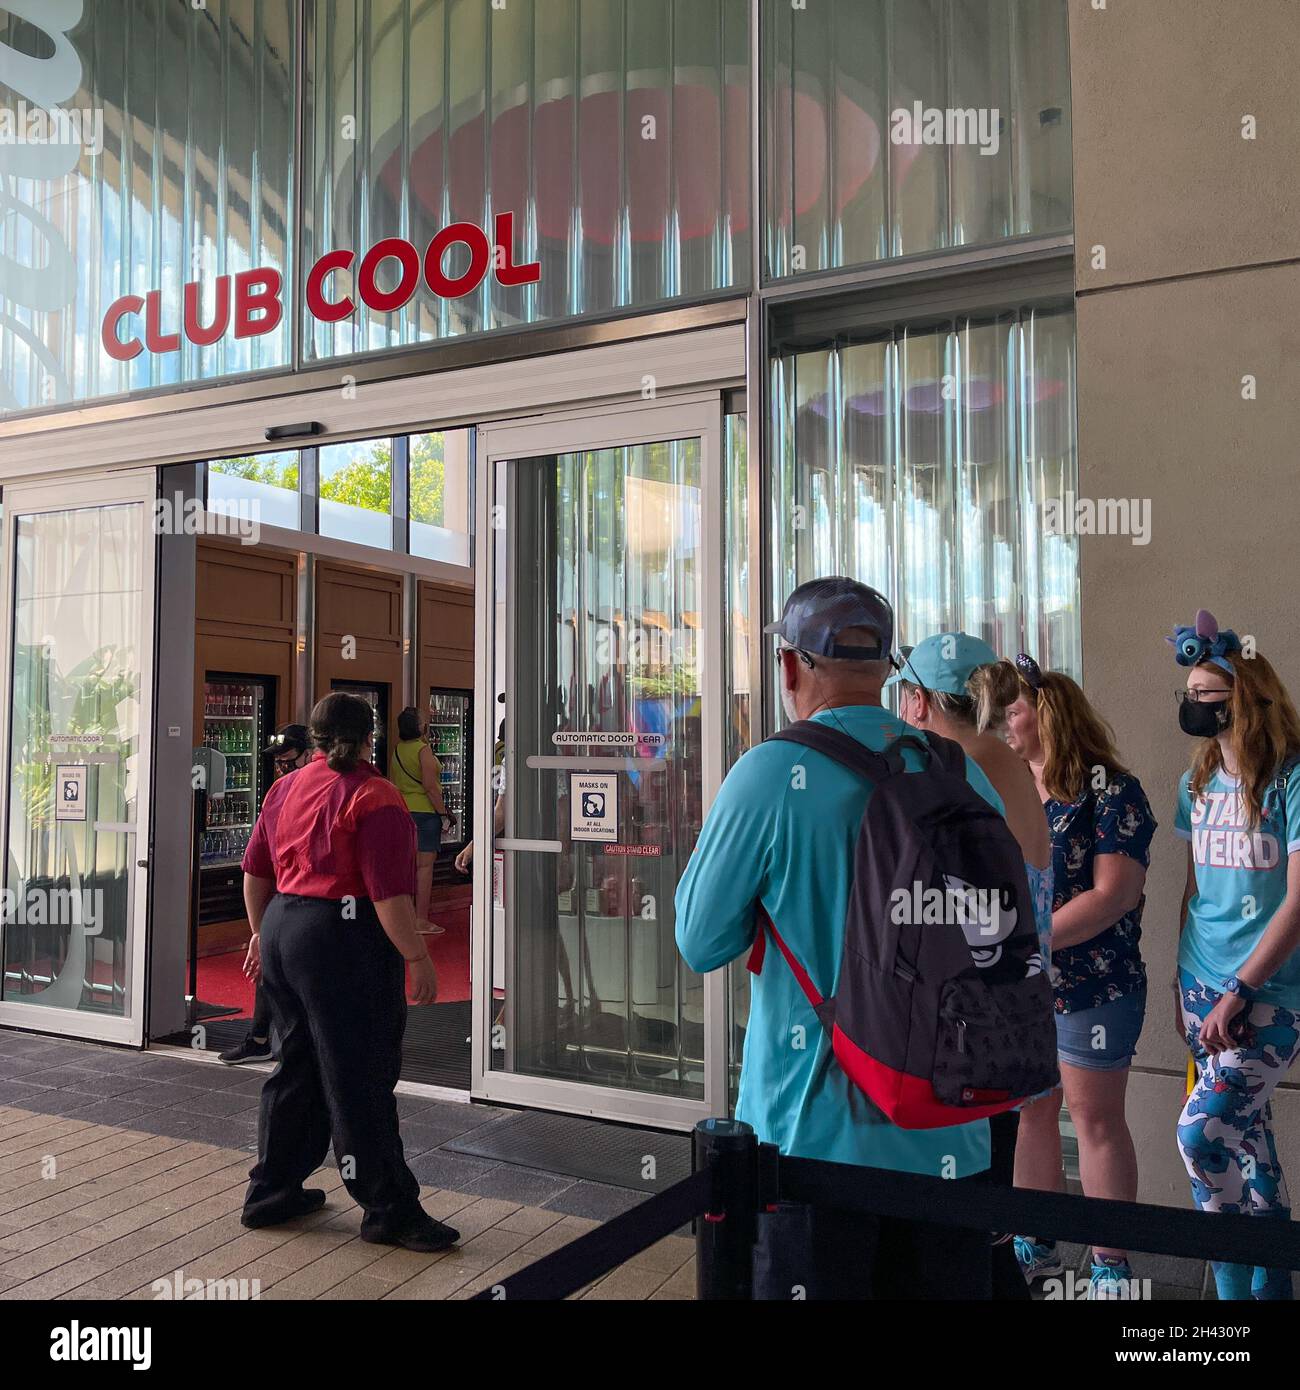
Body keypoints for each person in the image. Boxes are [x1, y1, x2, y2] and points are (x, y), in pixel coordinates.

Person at [675, 578, 1007, 1300]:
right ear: (888, 668)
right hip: (952, 1128)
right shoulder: (958, 770)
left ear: (791, 668)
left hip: (816, 1134)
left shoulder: (768, 774)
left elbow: (700, 940)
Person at [238, 692, 458, 1252]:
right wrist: (417, 956)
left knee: (296, 1064)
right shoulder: (374, 796)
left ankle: (272, 1190)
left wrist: (264, 933)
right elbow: (387, 896)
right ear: (370, 736)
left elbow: (255, 871)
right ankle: (389, 1209)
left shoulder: (284, 787)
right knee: (359, 1073)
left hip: (287, 926)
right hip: (343, 938)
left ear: (312, 738)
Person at [887, 633, 1051, 1301]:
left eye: (902, 693)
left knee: (961, 1240)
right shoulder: (1010, 764)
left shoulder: (951, 773)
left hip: (964, 1034)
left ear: (920, 701)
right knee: (989, 1227)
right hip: (1015, 1019)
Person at [1004, 655, 1156, 1298]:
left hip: (1096, 984)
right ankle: (1033, 1239)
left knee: (1095, 1120)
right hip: (1022, 985)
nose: (1002, 723)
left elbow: (1113, 895)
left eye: (1012, 710)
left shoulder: (1112, 791)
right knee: (1033, 1112)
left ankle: (1110, 1266)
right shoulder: (1008, 787)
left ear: (1048, 714)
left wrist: (1028, 937)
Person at [1169, 610, 1300, 1301]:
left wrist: (1240, 990)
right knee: (1250, 1140)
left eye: (1204, 695)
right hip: (1198, 983)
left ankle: (1226, 1271)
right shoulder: (1196, 785)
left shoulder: (1292, 781)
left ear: (1243, 698)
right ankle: (1273, 1275)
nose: (1191, 706)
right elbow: (1195, 890)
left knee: (1202, 1135)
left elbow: (1298, 904)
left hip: (1268, 993)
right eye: (1187, 693)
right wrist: (1181, 979)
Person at [219, 723, 311, 1066]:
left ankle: (264, 1037)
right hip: (289, 901)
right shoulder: (278, 794)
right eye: (279, 763)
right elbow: (254, 866)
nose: (283, 768)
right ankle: (262, 1036)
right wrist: (259, 931)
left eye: (288, 761)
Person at [390, 704, 451, 936]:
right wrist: (443, 813)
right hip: (425, 813)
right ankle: (421, 919)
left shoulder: (398, 749)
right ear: (419, 727)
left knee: (406, 865)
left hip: (402, 811)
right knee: (425, 867)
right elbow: (430, 787)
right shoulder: (423, 750)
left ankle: (404, 915)